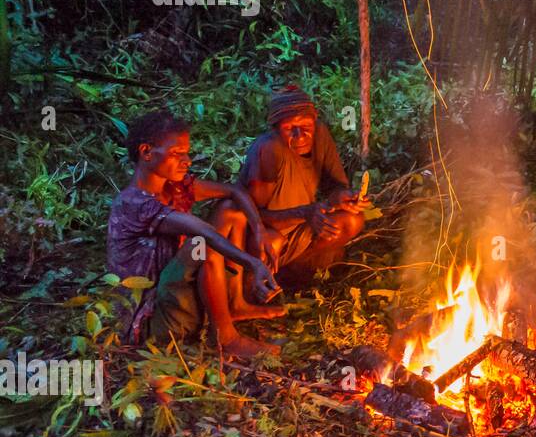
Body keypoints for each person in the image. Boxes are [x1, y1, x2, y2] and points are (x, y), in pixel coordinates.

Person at [107, 110, 282, 358]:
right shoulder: (133, 203)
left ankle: (234, 304)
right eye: (177, 153)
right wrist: (253, 262)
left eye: (186, 153)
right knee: (202, 244)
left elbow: (233, 192)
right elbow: (203, 233)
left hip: (177, 295)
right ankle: (225, 339)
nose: (187, 160)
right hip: (154, 320)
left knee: (231, 211)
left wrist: (259, 230)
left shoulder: (174, 188)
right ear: (146, 152)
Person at [237, 85, 369, 288]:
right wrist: (305, 213)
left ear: (314, 121)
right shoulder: (269, 150)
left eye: (306, 126)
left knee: (352, 219)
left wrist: (341, 197)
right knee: (270, 242)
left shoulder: (320, 134)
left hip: (300, 230)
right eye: (290, 128)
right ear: (275, 129)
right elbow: (252, 219)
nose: (300, 135)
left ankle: (292, 271)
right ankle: (256, 283)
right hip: (271, 235)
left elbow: (335, 185)